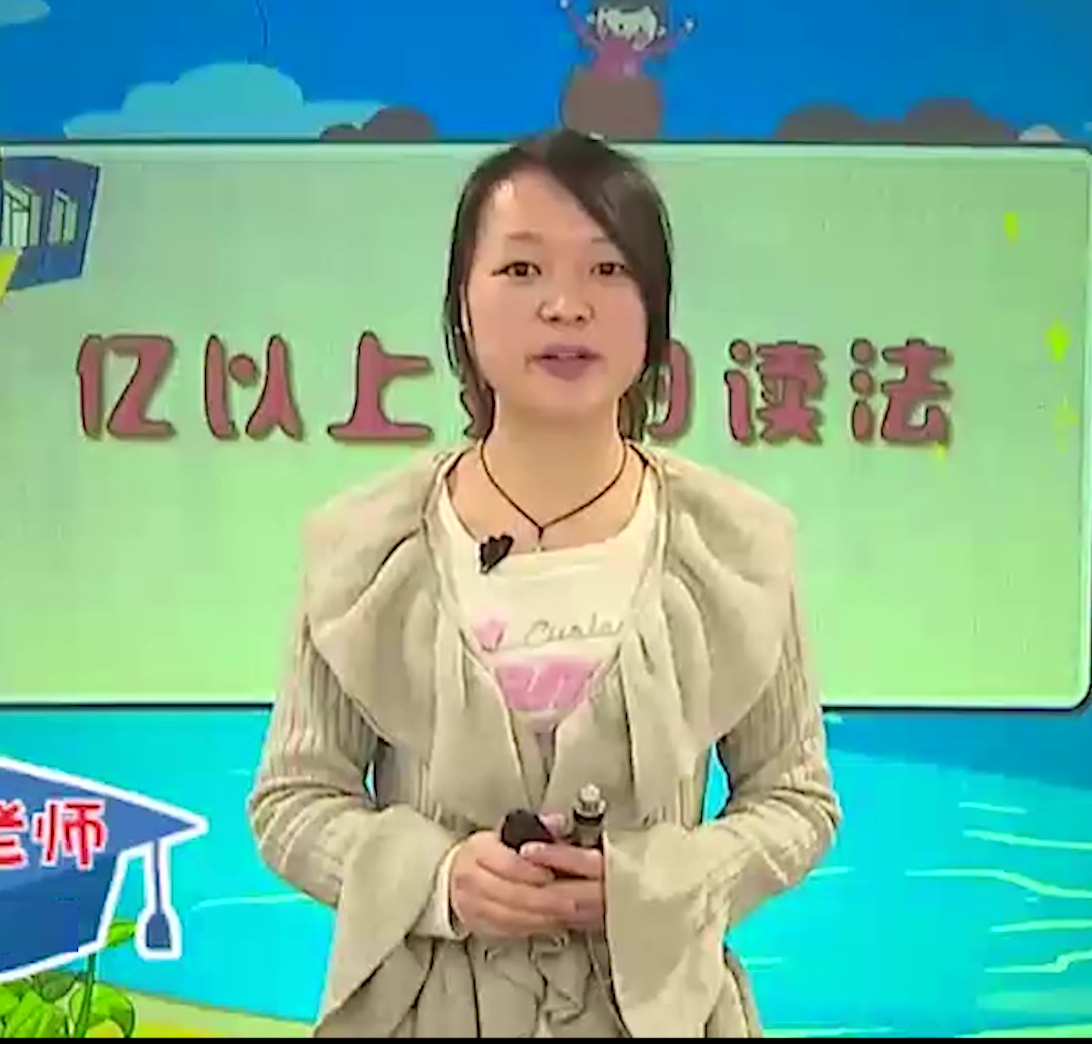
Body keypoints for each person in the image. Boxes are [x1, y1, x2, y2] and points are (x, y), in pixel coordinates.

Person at [247, 129, 842, 1037]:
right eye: (522, 270)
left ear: (654, 312)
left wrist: (652, 889)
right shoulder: (361, 546)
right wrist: (440, 880)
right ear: (463, 306)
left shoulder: (737, 545)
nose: (566, 306)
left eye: (607, 270)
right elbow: (292, 801)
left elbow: (795, 799)